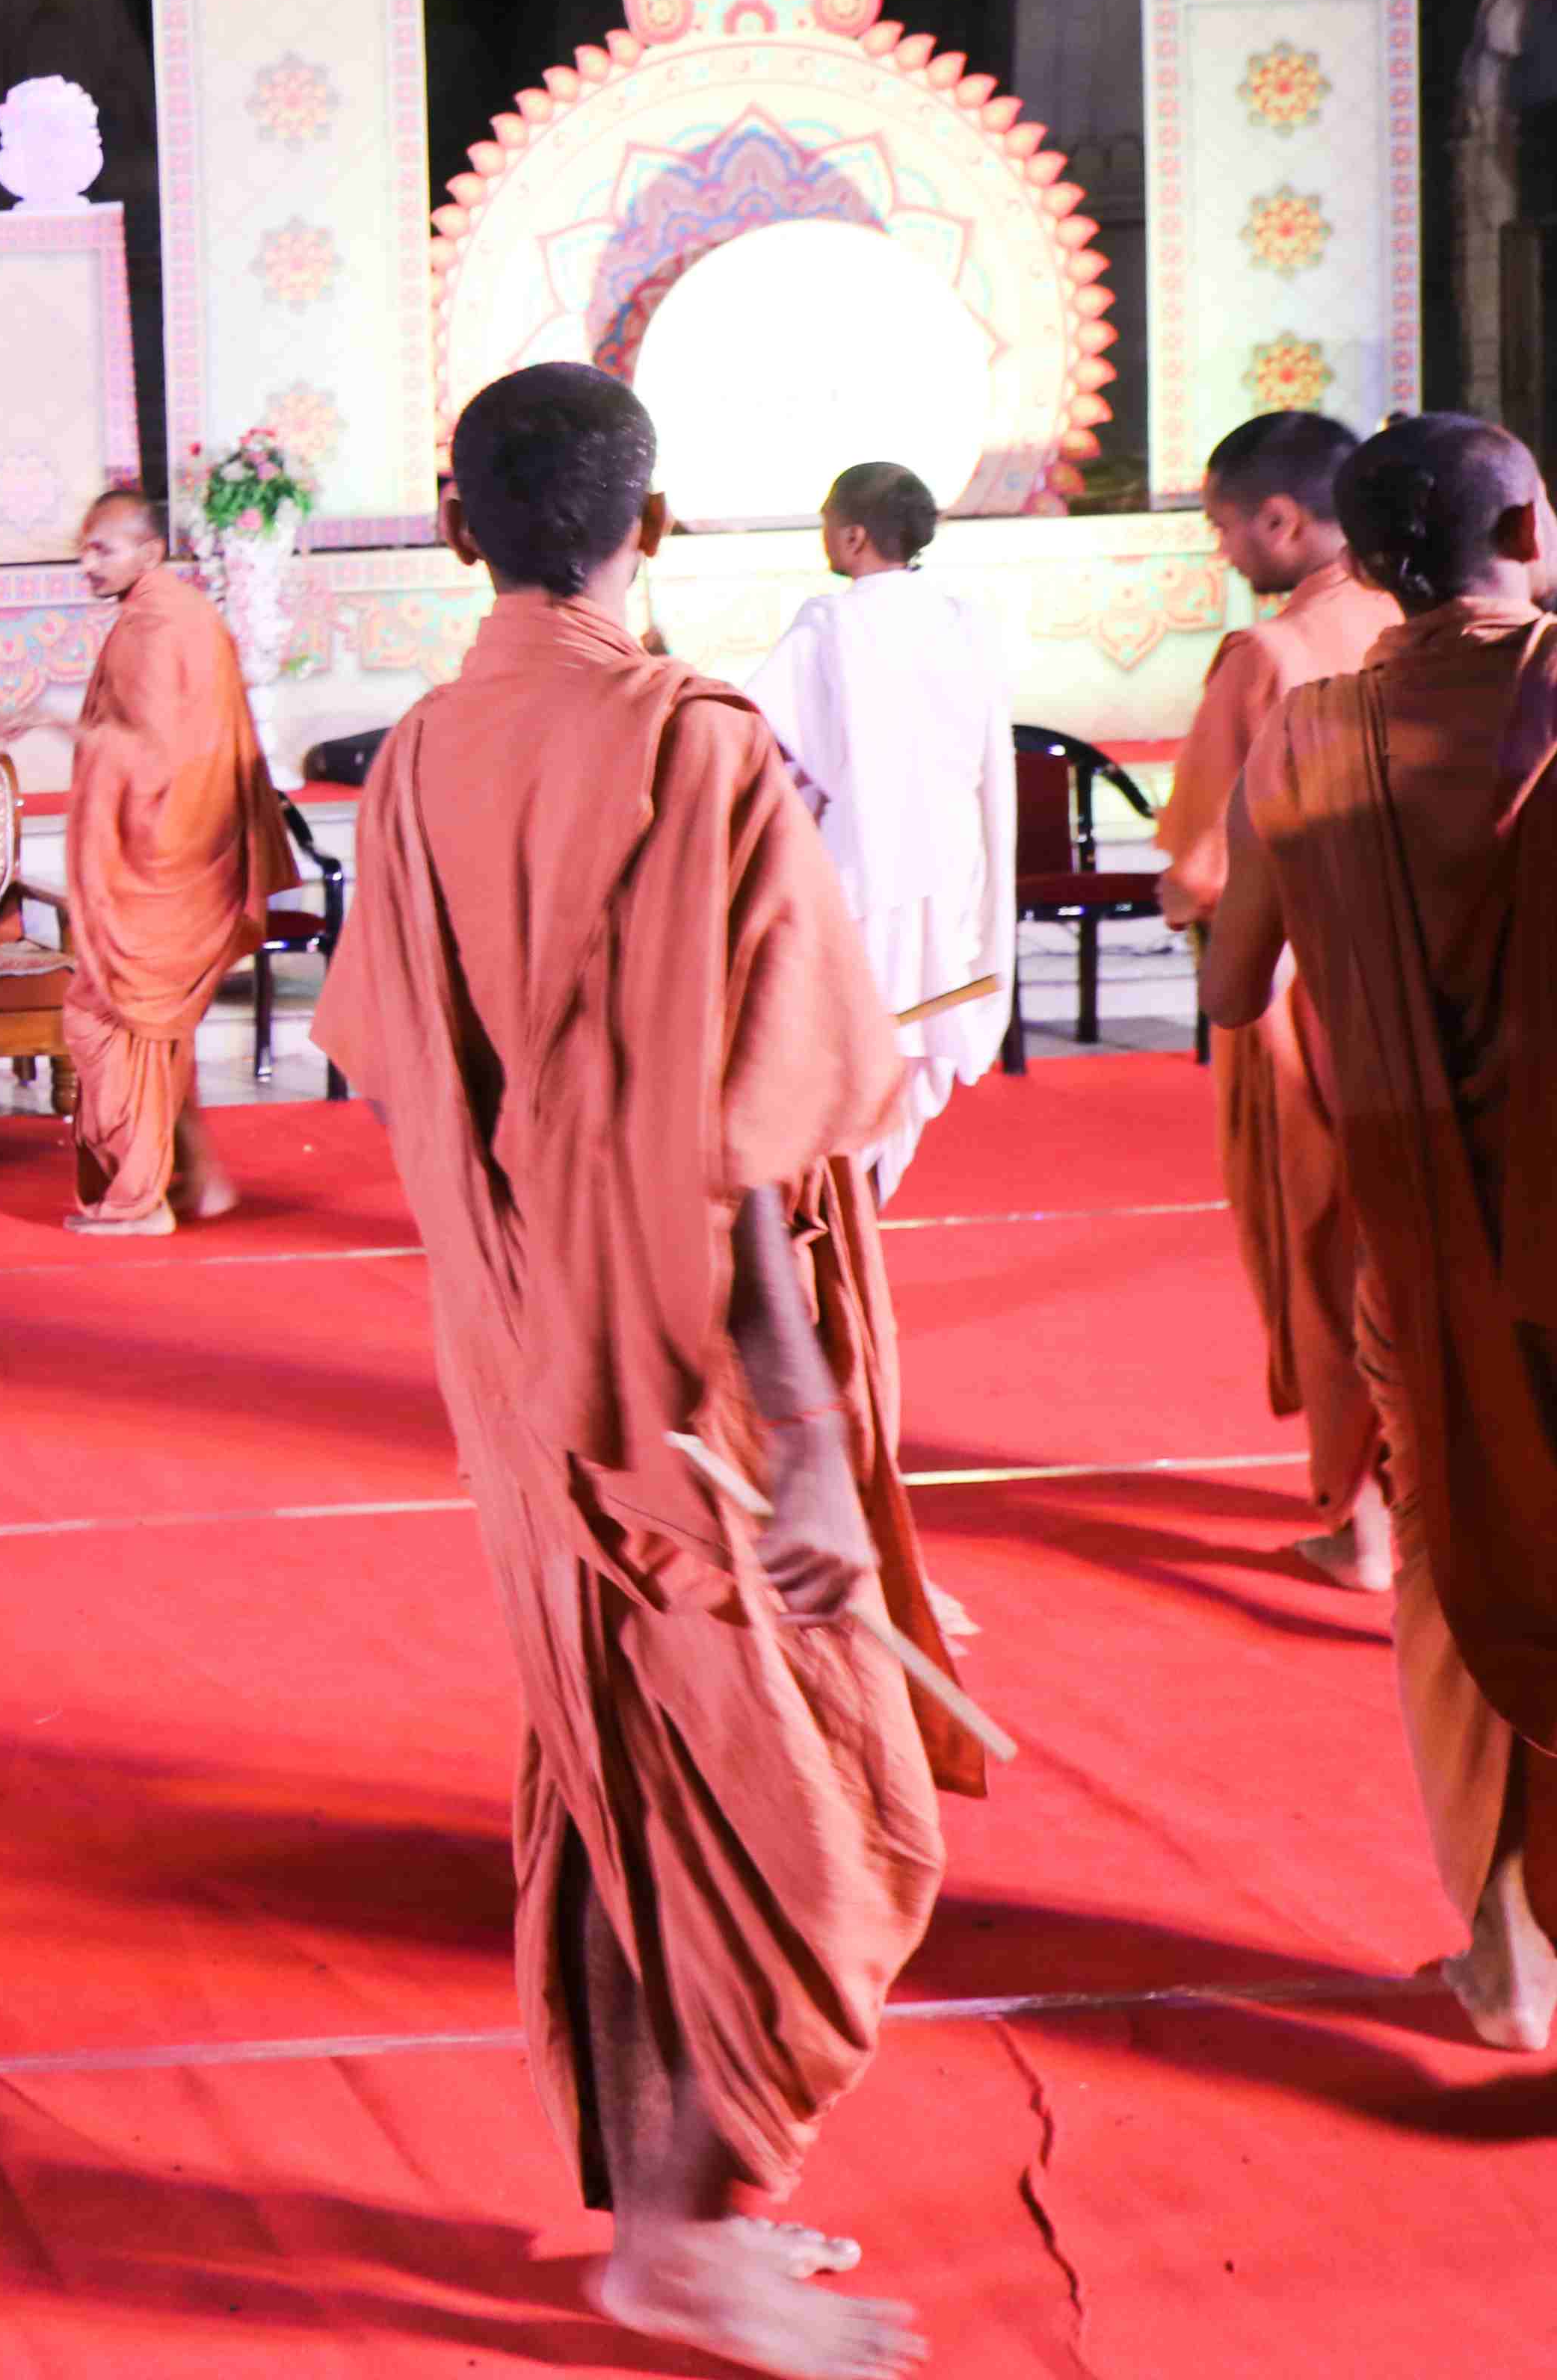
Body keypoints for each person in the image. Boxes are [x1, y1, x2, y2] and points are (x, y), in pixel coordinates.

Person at [318, 366, 965, 2380]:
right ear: (654, 524)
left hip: (516, 1346)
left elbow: (388, 1061)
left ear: (456, 529)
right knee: (809, 1815)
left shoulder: (416, 762)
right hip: (688, 1370)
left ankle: (676, 2221)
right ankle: (681, 2236)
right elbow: (746, 1139)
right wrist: (808, 1436)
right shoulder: (694, 749)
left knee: (620, 1771)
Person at [1197, 412, 1557, 2055]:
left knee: (1458, 1573)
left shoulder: (1308, 741)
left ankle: (1506, 1959)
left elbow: (1232, 985)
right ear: (1527, 530)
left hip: (1427, 1253)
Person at [1155, 410, 1401, 1591]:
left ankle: (1369, 1525)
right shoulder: (1428, 626)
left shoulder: (1271, 655)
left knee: (1327, 1246)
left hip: (1307, 998)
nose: (1224, 550)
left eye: (1224, 527)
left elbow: (1205, 858)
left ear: (1283, 519)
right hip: (1453, 992)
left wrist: (1190, 897)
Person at [731, 463, 1012, 1204]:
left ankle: (845, 1220)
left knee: (848, 1058)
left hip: (862, 871)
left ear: (853, 536)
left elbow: (759, 737)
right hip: (952, 869)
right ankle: (868, 1204)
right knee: (909, 1059)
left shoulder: (832, 623)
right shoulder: (964, 621)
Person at [60, 488, 296, 1234]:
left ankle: (139, 1201)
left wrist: (62, 729)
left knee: (103, 1019)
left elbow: (154, 754)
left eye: (101, 548)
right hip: (194, 853)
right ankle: (204, 1180)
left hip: (166, 863)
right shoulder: (181, 612)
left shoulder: (157, 626)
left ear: (149, 551)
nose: (85, 562)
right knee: (159, 1032)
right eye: (83, 548)